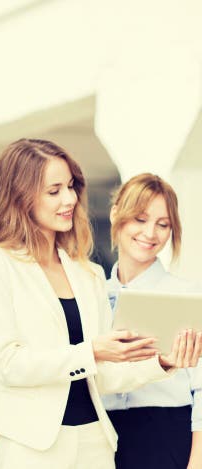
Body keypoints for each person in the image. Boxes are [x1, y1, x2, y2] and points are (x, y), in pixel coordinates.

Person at [0, 138, 202, 468]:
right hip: (30, 445)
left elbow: (102, 377)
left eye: (70, 186)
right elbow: (10, 364)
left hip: (95, 445)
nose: (69, 199)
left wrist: (162, 363)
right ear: (20, 196)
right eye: (54, 191)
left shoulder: (88, 273)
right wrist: (90, 351)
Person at [102, 173, 202, 469]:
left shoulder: (188, 297)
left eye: (163, 224)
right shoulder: (90, 295)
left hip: (166, 436)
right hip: (100, 437)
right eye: (140, 219)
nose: (150, 233)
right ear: (116, 214)